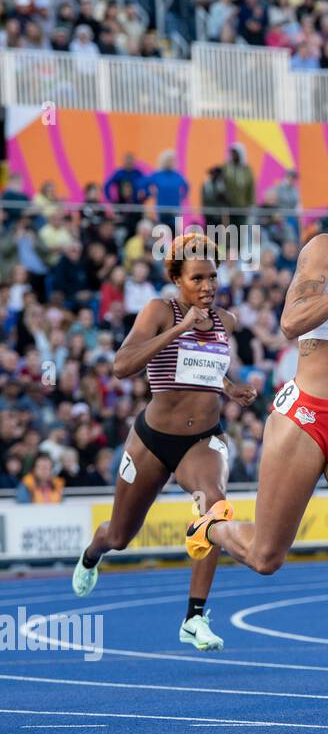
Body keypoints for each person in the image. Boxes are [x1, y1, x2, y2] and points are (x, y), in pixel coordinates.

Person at [184, 165, 328, 705]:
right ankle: (214, 527)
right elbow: (294, 320)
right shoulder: (325, 251)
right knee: (267, 557)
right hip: (305, 417)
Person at [73, 233, 256, 652]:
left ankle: (194, 617)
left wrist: (230, 388)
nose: (208, 286)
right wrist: (178, 328)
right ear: (176, 279)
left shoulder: (225, 321)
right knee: (120, 536)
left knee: (215, 504)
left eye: (213, 277)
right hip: (152, 441)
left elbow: (204, 369)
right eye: (197, 279)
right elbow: (122, 365)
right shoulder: (160, 310)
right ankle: (92, 553)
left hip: (203, 439)